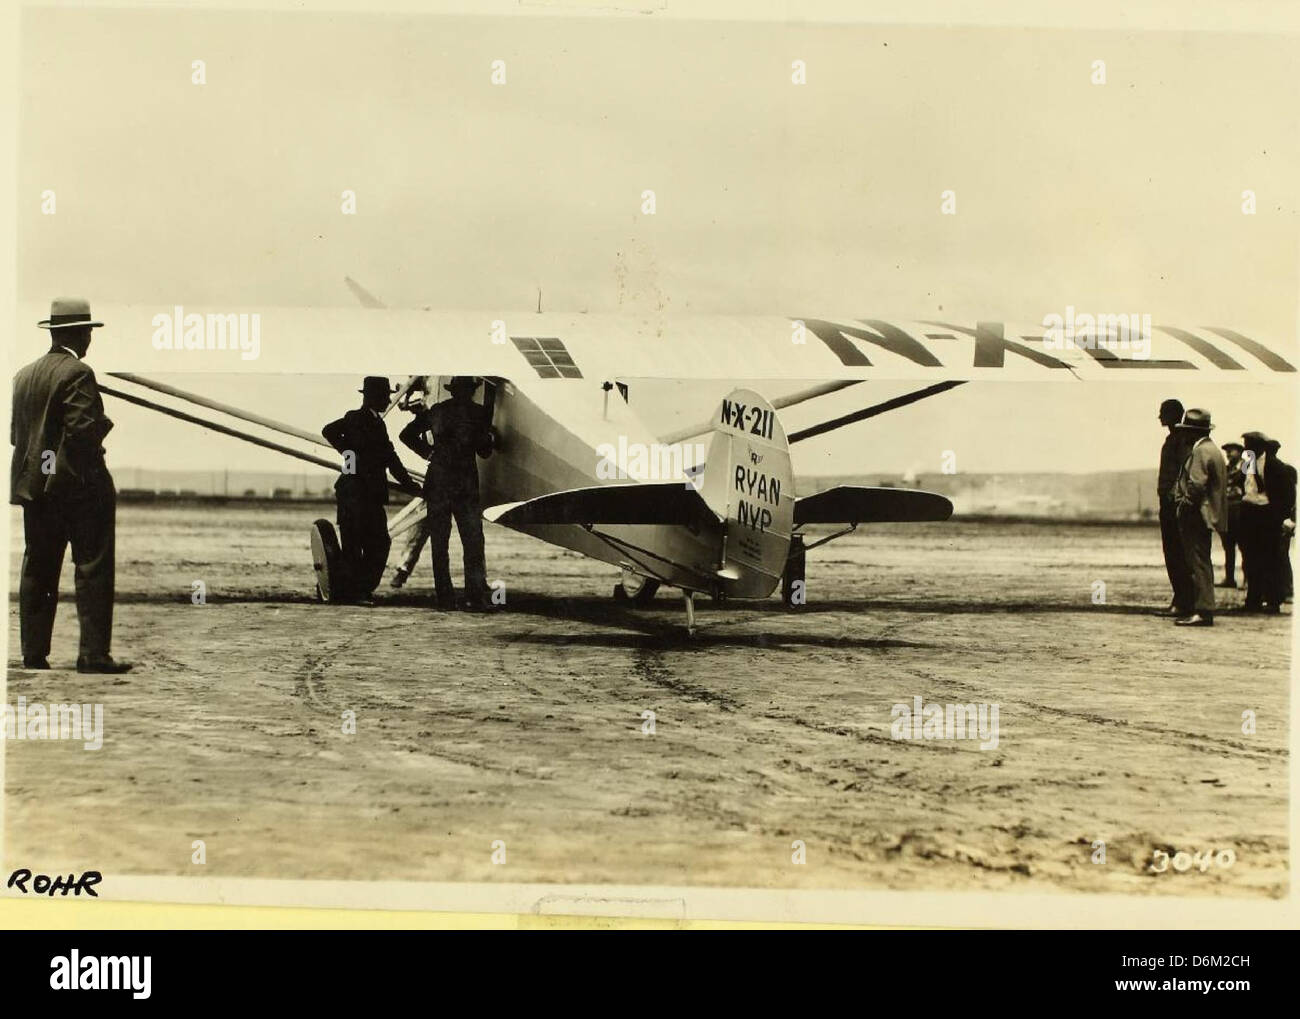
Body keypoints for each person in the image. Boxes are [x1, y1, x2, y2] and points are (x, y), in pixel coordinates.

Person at [10, 298, 130, 672]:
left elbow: (18, 436)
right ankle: (93, 655)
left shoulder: (23, 376)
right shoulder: (78, 373)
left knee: (38, 566)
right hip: (78, 490)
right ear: (79, 334)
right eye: (88, 332)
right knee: (92, 567)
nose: (90, 339)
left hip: (34, 489)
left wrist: (47, 470)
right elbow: (83, 431)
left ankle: (33, 654)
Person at [399, 376, 495, 611]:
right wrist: (490, 438)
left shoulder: (437, 411)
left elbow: (406, 435)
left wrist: (429, 453)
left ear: (452, 391)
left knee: (439, 542)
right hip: (465, 484)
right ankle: (474, 597)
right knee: (472, 541)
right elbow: (484, 452)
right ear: (472, 391)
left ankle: (445, 598)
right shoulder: (478, 413)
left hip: (438, 481)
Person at [322, 377, 420, 603]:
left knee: (376, 542)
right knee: (357, 543)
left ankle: (360, 589)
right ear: (372, 397)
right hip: (355, 493)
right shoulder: (355, 418)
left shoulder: (377, 422)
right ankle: (357, 592)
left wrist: (410, 485)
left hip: (367, 494)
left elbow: (390, 457)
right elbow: (329, 431)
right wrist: (350, 457)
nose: (388, 400)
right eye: (385, 396)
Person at [1171, 408, 1226, 627]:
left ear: (1193, 431)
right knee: (1202, 560)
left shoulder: (1201, 451)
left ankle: (1203, 610)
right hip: (1205, 514)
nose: (1184, 434)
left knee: (1197, 561)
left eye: (1187, 430)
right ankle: (1203, 608)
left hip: (1196, 515)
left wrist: (1183, 506)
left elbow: (1196, 485)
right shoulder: (1212, 450)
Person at [1239, 432, 1295, 614]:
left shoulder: (1275, 465)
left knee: (1271, 558)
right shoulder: (1248, 461)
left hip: (1267, 515)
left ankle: (1273, 601)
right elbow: (1242, 484)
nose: (1246, 448)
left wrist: (1282, 517)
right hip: (1249, 513)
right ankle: (1253, 600)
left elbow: (1287, 494)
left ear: (1261, 446)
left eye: (1250, 444)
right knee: (1250, 558)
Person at [1155, 398, 1192, 617]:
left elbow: (1183, 471)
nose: (1159, 416)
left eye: (1163, 412)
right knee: (1174, 553)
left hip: (1173, 505)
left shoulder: (1180, 440)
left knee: (1176, 553)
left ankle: (1182, 601)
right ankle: (1181, 600)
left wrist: (1173, 495)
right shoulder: (1176, 439)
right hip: (1169, 503)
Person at [1264, 437, 1295, 604]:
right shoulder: (1284, 468)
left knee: (1280, 555)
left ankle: (1285, 590)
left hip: (1280, 520)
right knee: (1282, 555)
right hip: (1284, 519)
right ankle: (1286, 589)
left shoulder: (1275, 468)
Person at [1216, 440, 1244, 588]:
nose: (1228, 454)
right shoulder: (1225, 469)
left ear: (1240, 452)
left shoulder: (1246, 468)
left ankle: (1248, 579)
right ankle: (1230, 578)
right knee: (1228, 546)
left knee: (1244, 547)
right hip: (1227, 511)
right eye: (1227, 451)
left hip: (1241, 511)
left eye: (1231, 451)